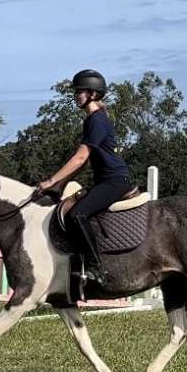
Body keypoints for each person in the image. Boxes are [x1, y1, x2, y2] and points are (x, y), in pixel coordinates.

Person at [36, 69, 132, 285]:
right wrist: (61, 185)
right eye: (77, 91)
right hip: (105, 180)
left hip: (114, 181)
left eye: (80, 91)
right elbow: (86, 161)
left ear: (93, 94)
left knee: (77, 214)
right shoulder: (93, 119)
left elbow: (80, 158)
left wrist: (51, 181)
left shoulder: (96, 120)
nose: (75, 95)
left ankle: (95, 268)